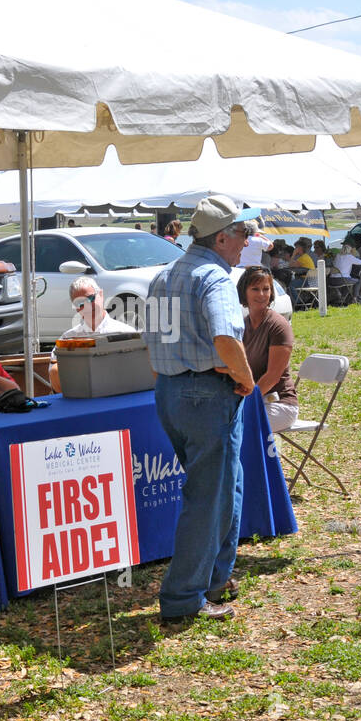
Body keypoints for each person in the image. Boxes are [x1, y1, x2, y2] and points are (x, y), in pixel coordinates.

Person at [141, 194, 256, 622]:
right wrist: (244, 378)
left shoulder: (164, 274)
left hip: (171, 390)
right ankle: (184, 597)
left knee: (226, 486)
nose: (247, 240)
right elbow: (227, 339)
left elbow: (149, 340)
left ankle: (214, 579)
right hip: (207, 392)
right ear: (222, 237)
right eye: (242, 232)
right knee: (209, 497)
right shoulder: (214, 277)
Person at [48, 277, 138, 392]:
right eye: (80, 303)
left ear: (101, 294)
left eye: (91, 298)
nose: (88, 305)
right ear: (76, 308)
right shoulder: (67, 339)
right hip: (82, 400)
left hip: (119, 396)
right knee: (55, 370)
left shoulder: (126, 333)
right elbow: (54, 376)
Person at [238, 266, 298, 432]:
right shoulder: (243, 324)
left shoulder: (278, 326)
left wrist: (243, 403)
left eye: (266, 289)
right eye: (255, 289)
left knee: (234, 425)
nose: (262, 295)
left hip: (280, 404)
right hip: (255, 400)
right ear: (244, 292)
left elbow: (272, 376)